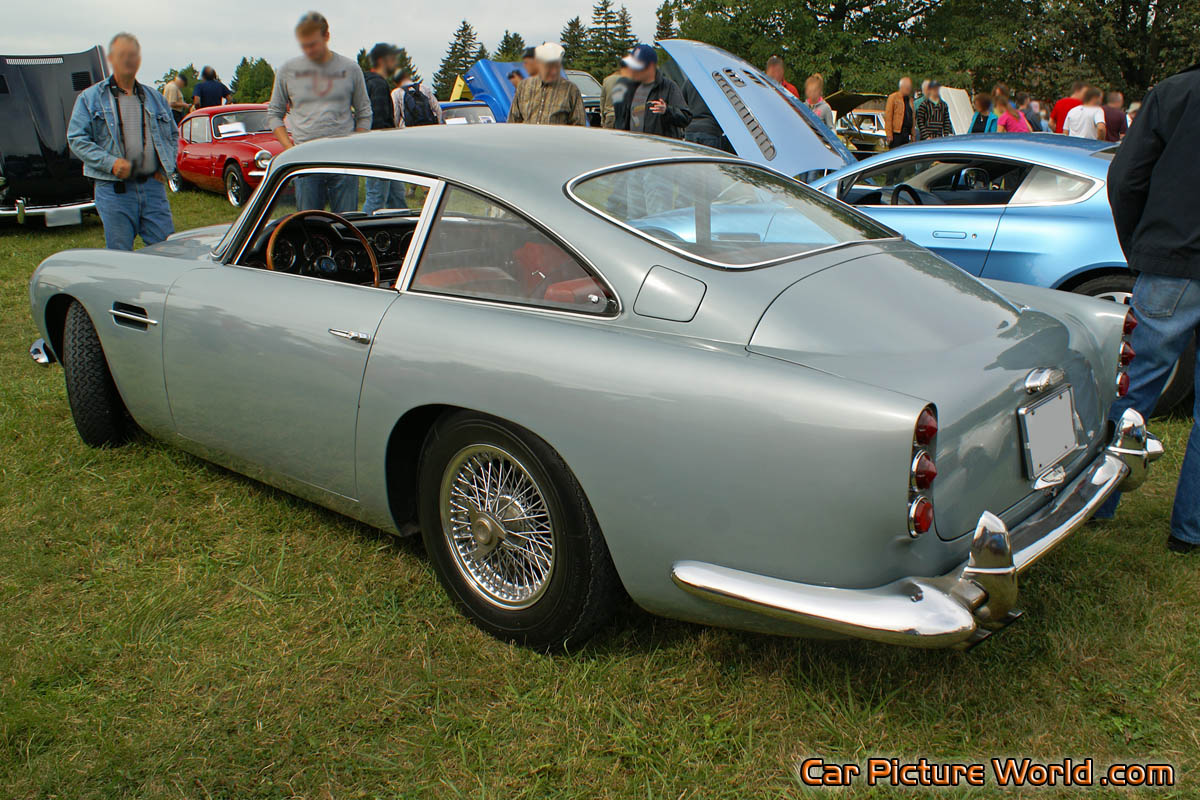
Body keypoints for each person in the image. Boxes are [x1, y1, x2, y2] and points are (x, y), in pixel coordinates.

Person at [1096, 63, 1200, 555]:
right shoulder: (1173, 93)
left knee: (1134, 387)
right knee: (1134, 386)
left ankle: (1099, 503)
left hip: (1171, 262)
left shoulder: (1173, 93)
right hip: (1170, 259)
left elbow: (1125, 176)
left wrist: (1140, 247)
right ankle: (1190, 530)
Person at [67, 32, 176, 250]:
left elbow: (173, 135)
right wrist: (111, 163)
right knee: (120, 256)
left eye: (133, 55)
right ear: (112, 59)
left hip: (152, 189)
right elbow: (77, 138)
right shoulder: (90, 98)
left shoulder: (155, 98)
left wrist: (165, 167)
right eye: (122, 54)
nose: (128, 59)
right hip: (114, 191)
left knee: (168, 251)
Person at [266, 11, 371, 212]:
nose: (309, 50)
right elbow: (274, 113)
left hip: (344, 162)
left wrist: (356, 145)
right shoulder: (287, 70)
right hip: (306, 162)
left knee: (347, 223)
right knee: (309, 225)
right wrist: (289, 149)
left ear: (326, 37)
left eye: (313, 44)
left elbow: (365, 111)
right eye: (304, 45)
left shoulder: (350, 68)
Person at [613, 44, 691, 139]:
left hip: (660, 149)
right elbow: (620, 123)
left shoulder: (669, 87)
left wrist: (667, 110)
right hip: (634, 148)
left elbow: (686, 118)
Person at [362, 43, 404, 215]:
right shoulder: (378, 84)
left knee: (397, 197)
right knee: (376, 198)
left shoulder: (366, 81)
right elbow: (378, 121)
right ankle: (363, 233)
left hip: (374, 148)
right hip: (380, 150)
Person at [508, 42, 584, 126]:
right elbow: (513, 121)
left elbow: (578, 126)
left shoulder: (570, 90)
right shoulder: (524, 86)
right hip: (527, 138)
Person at [682, 80, 729, 151]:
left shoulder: (690, 81)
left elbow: (681, 104)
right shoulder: (718, 82)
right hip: (711, 130)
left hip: (691, 130)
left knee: (692, 161)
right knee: (709, 161)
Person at [884, 76, 916, 147]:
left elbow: (913, 117)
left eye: (910, 87)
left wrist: (913, 135)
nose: (909, 90)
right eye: (907, 87)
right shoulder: (893, 98)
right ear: (901, 87)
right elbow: (888, 117)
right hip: (896, 133)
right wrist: (889, 134)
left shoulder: (910, 100)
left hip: (906, 133)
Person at [600, 60, 631, 129]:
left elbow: (602, 100)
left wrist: (602, 120)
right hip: (623, 118)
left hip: (609, 116)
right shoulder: (628, 80)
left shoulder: (606, 80)